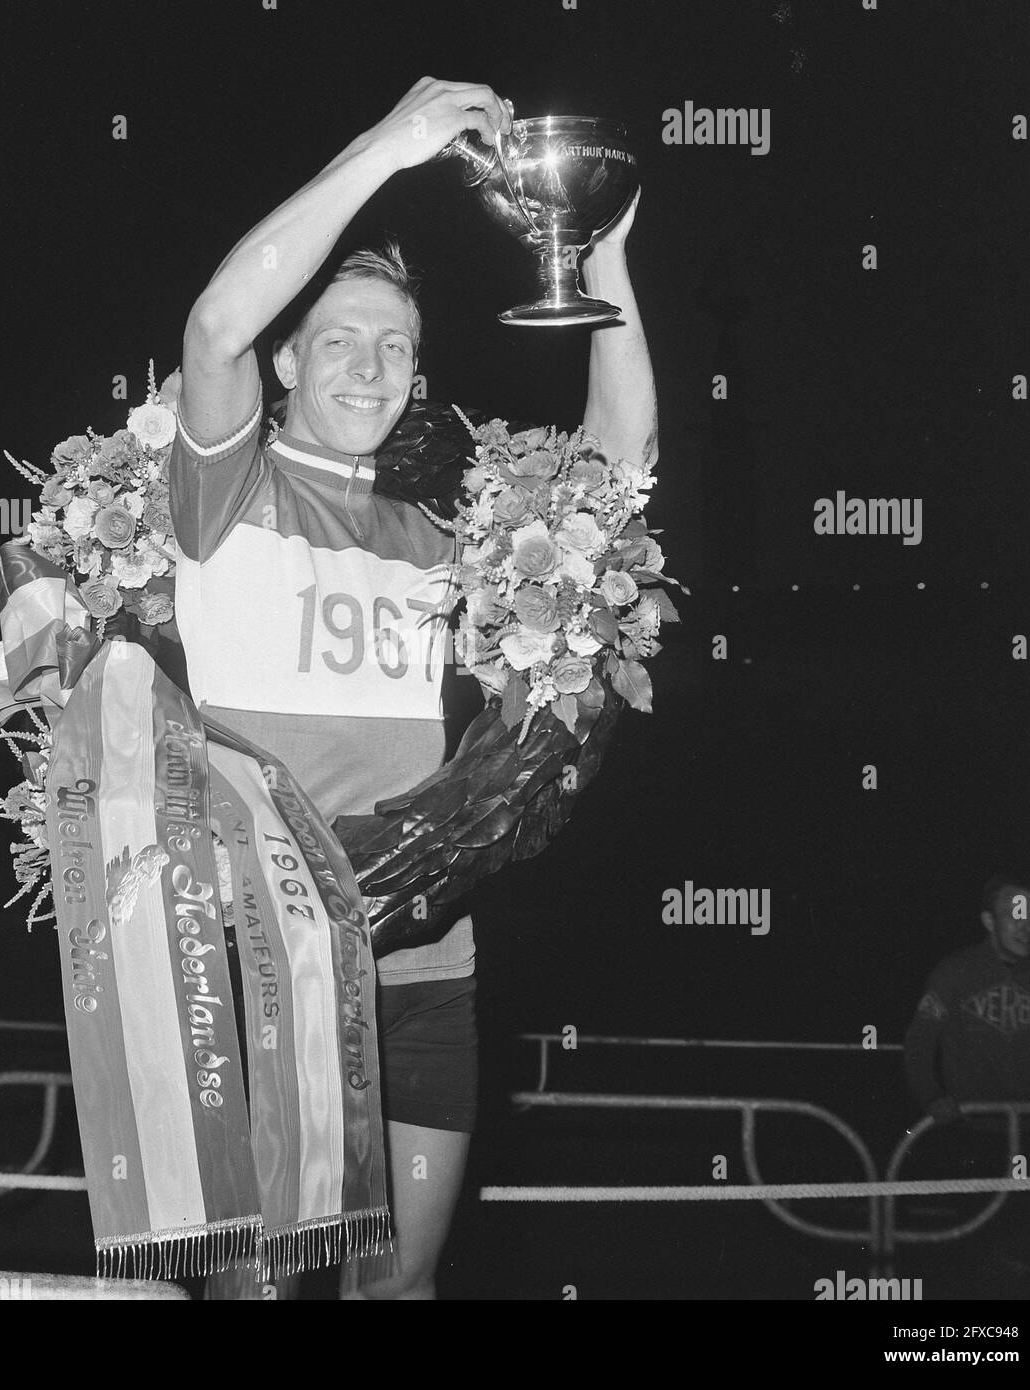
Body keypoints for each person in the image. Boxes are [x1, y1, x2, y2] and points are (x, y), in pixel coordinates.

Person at [169, 76, 658, 1298]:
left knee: (399, 1291)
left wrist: (600, 266)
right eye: (338, 338)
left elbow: (618, 469)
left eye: (397, 346)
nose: (370, 364)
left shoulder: (441, 523)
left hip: (426, 967)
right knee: (257, 1291)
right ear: (287, 359)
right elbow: (215, 325)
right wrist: (387, 148)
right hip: (258, 951)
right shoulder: (222, 489)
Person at [904, 875, 1030, 1124]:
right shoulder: (954, 973)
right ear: (989, 921)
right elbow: (920, 1042)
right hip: (971, 1127)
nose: (1027, 926)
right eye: (1015, 916)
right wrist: (932, 1098)